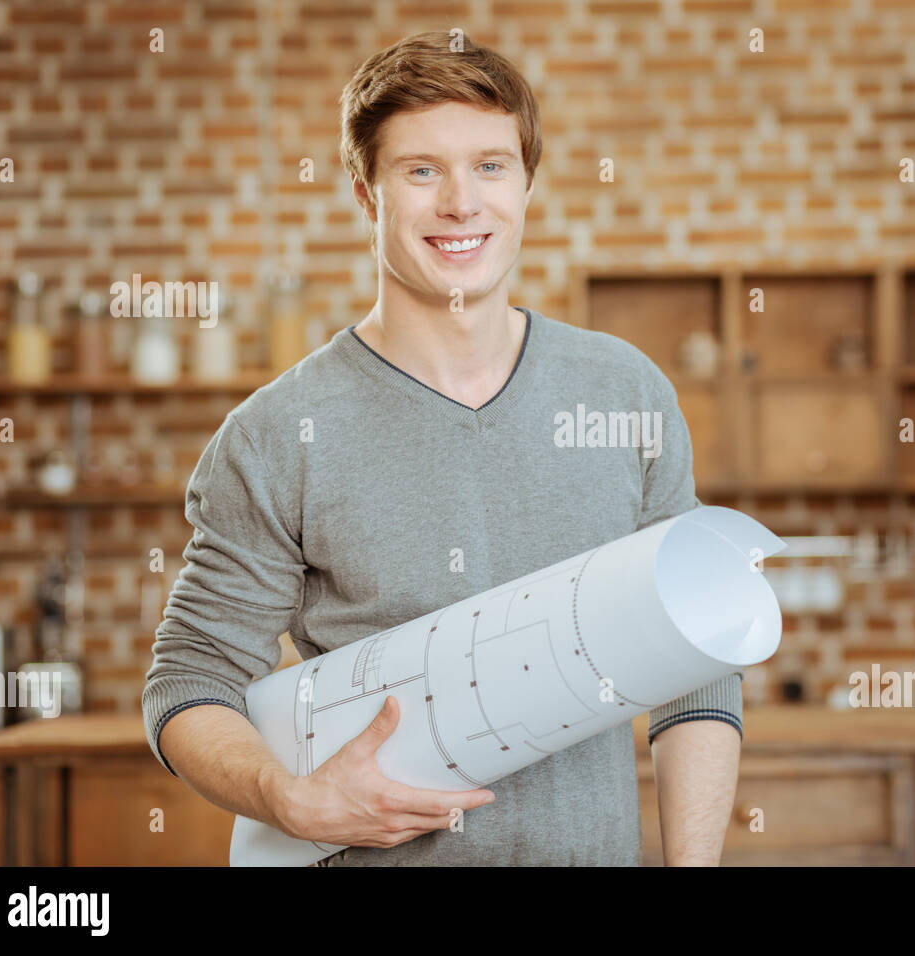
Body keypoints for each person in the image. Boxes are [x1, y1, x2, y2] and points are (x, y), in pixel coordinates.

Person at [143, 30, 743, 866]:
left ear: (527, 183)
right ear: (365, 191)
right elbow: (191, 680)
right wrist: (292, 799)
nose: (462, 203)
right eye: (421, 171)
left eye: (491, 166)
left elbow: (696, 656)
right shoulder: (277, 435)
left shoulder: (624, 394)